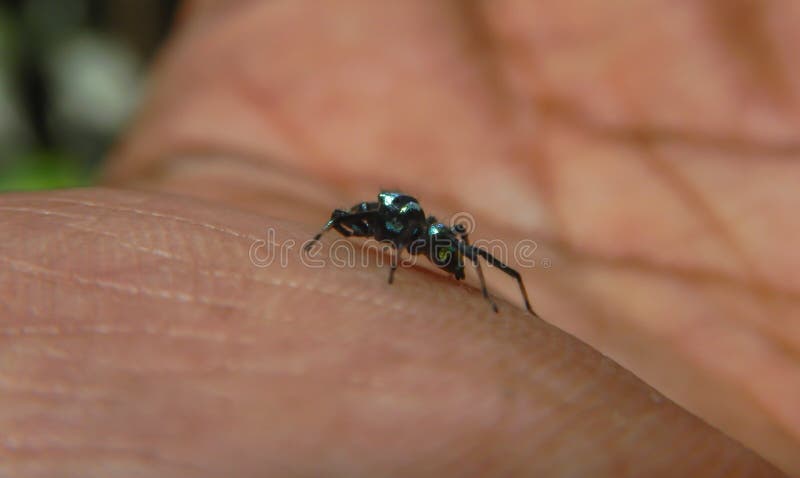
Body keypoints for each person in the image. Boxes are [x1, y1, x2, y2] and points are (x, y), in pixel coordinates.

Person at [2, 1, 797, 475]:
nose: (375, 218)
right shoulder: (373, 219)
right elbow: (353, 219)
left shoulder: (425, 232)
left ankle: (485, 287)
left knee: (465, 251)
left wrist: (459, 275)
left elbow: (417, 229)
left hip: (439, 247)